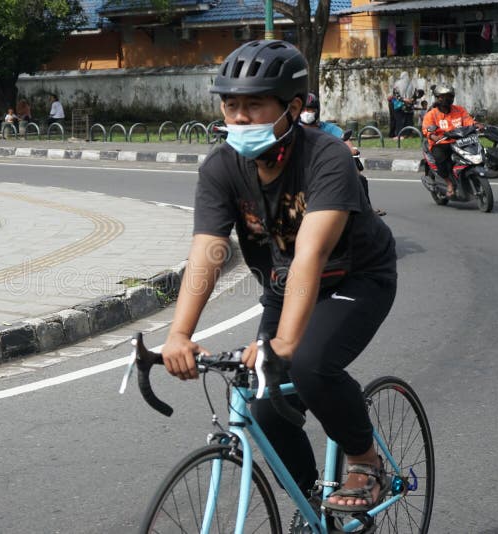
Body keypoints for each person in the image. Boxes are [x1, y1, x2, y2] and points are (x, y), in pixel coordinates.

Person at [161, 40, 397, 513]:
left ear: (291, 108)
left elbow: (311, 251)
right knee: (262, 404)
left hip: (356, 278)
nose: (240, 117)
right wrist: (179, 334)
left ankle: (365, 461)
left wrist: (286, 343)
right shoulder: (221, 167)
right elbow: (208, 250)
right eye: (231, 105)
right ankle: (315, 508)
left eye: (253, 105)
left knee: (309, 363)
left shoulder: (326, 157)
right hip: (284, 287)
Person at [300, 93, 386, 216]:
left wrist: (351, 150)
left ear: (317, 111)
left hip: (328, 165)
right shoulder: (295, 129)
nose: (307, 113)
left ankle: (367, 209)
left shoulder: (328, 128)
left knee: (359, 178)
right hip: (303, 167)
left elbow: (345, 140)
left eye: (310, 109)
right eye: (304, 109)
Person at [422, 85, 478, 197]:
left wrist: (476, 125)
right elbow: (427, 128)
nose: (446, 99)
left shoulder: (459, 110)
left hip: (460, 141)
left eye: (449, 96)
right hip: (441, 143)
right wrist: (433, 136)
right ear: (437, 98)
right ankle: (449, 184)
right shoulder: (431, 114)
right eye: (442, 97)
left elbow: (468, 120)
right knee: (441, 159)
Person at [391, 72, 415, 139]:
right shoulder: (411, 84)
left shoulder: (397, 83)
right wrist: (410, 100)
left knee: (399, 120)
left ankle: (401, 135)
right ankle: (409, 134)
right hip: (409, 105)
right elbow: (415, 94)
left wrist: (403, 99)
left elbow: (395, 95)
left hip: (399, 105)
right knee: (409, 120)